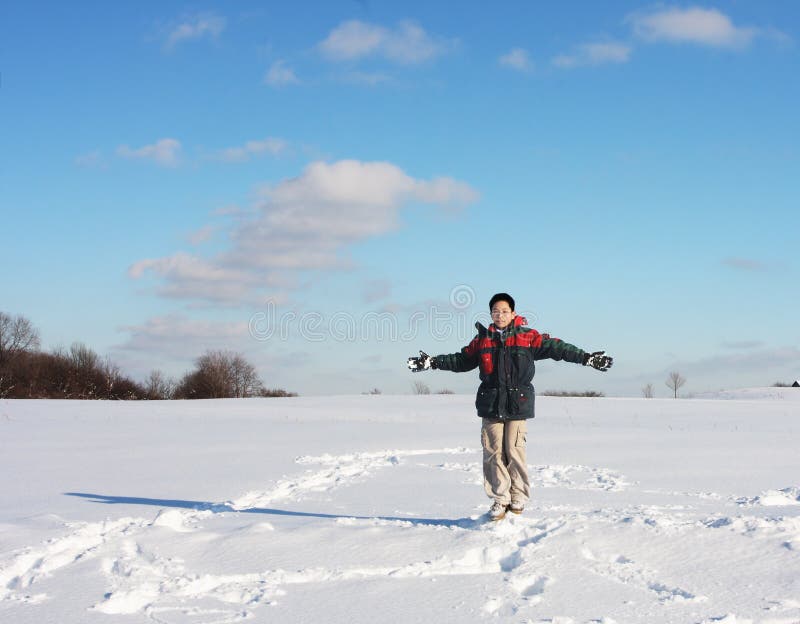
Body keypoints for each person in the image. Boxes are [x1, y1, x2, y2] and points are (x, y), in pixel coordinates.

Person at [407, 292, 613, 521]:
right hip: (491, 403)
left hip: (518, 403)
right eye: (496, 311)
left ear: (513, 313)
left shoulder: (528, 337)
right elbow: (461, 360)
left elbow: (558, 348)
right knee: (493, 453)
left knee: (514, 451)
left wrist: (586, 358)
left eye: (504, 311)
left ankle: (518, 498)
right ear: (491, 314)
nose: (500, 315)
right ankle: (500, 499)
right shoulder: (483, 340)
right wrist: (433, 362)